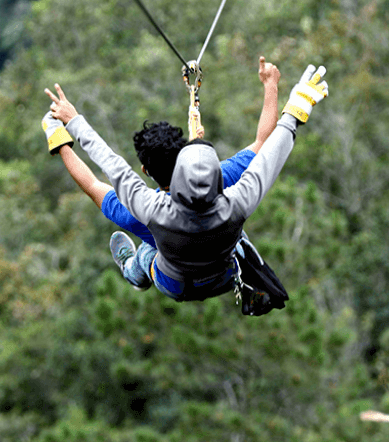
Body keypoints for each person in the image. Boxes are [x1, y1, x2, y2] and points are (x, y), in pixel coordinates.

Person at [43, 63, 329, 304]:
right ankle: (244, 269)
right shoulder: (235, 195)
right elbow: (266, 147)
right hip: (223, 276)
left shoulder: (147, 209)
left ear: (145, 171)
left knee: (145, 253)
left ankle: (133, 273)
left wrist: (63, 133)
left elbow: (97, 178)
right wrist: (276, 90)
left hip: (174, 284)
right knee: (237, 237)